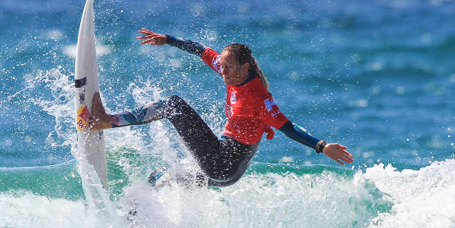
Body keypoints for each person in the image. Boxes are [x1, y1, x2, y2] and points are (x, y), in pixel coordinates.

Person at [88, 28, 353, 187]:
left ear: (244, 68)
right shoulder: (232, 73)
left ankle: (107, 121)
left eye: (227, 66)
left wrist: (322, 146)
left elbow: (289, 128)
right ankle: (133, 219)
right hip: (223, 171)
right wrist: (167, 39)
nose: (221, 70)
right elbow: (200, 50)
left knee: (174, 105)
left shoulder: (259, 99)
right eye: (221, 65)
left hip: (223, 165)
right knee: (160, 179)